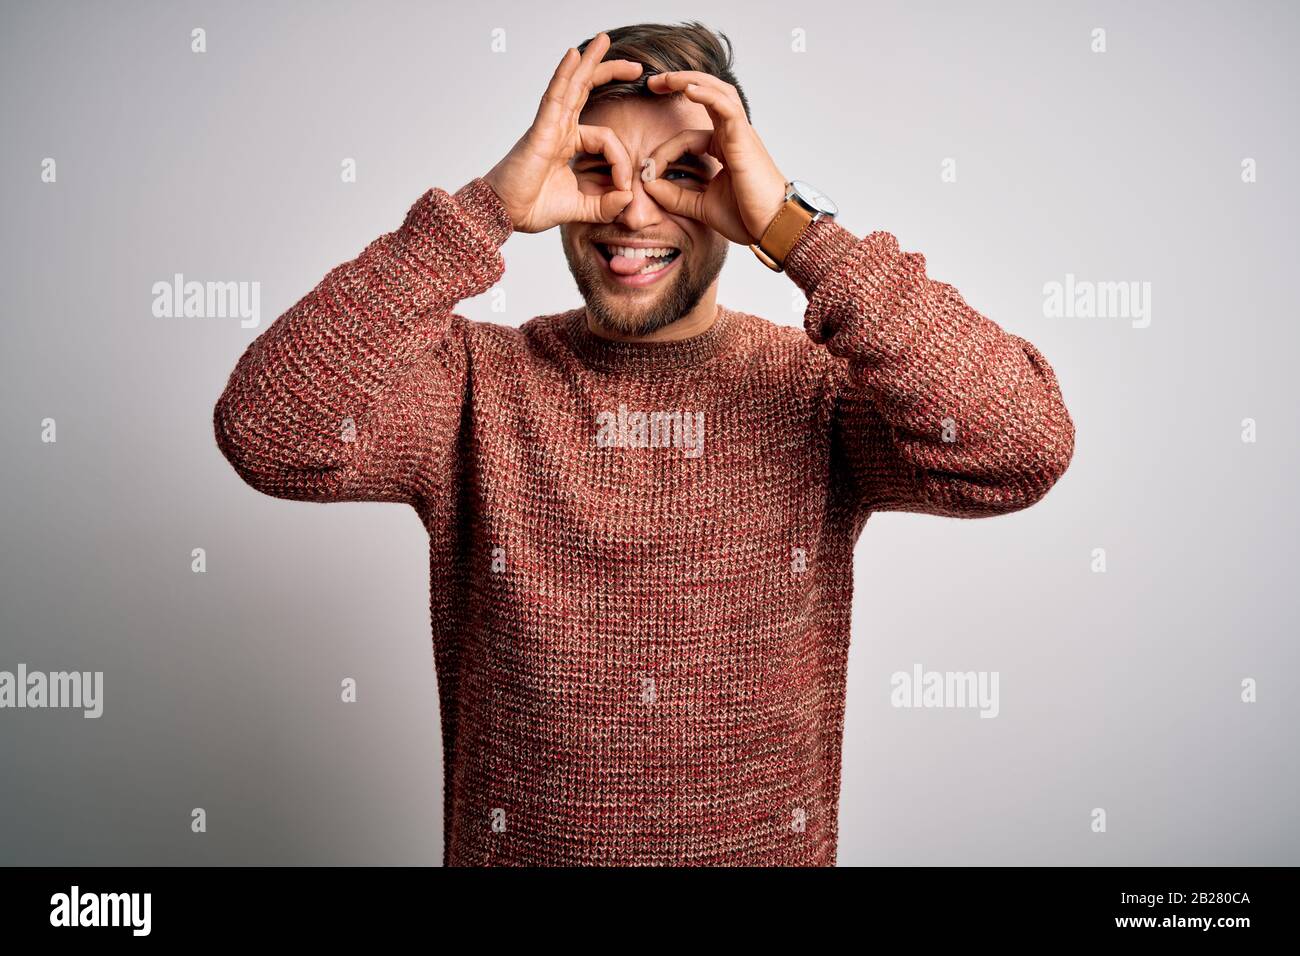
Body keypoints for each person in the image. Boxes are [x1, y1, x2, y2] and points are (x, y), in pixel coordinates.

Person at [213, 21, 1075, 866]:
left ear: (734, 184)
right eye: (597, 166)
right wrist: (483, 213)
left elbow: (1023, 445)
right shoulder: (474, 384)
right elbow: (267, 430)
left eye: (683, 174)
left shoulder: (815, 393)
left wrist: (795, 229)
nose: (633, 208)